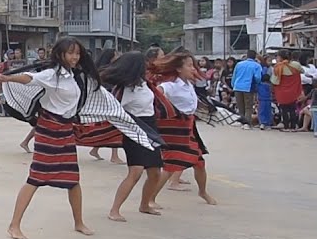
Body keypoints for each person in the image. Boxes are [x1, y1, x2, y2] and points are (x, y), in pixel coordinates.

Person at [0, 37, 159, 239]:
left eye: (77, 53)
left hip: (65, 129)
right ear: (61, 54)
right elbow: (30, 78)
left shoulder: (79, 77)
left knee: (73, 179)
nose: (74, 57)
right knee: (36, 178)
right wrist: (8, 79)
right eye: (70, 53)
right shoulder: (52, 75)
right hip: (48, 130)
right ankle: (14, 226)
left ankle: (79, 222)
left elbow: (101, 96)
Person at [100, 53, 165, 221]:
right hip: (135, 130)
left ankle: (144, 205)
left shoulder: (145, 84)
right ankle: (114, 210)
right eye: (143, 65)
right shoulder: (125, 90)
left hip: (150, 129)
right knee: (135, 171)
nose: (146, 67)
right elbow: (113, 109)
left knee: (155, 172)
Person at [152, 52, 218, 206]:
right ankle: (150, 198)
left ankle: (203, 192)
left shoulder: (189, 85)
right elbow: (156, 96)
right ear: (179, 69)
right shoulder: (170, 86)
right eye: (189, 65)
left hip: (188, 129)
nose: (193, 69)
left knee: (199, 162)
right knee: (170, 165)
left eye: (193, 65)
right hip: (174, 130)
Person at [231, 51, 263, 127]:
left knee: (240, 106)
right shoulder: (257, 65)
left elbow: (234, 76)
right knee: (248, 106)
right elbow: (258, 78)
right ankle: (247, 123)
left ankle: (241, 121)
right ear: (254, 57)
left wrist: (233, 85)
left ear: (247, 56)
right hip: (248, 87)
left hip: (237, 87)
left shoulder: (239, 64)